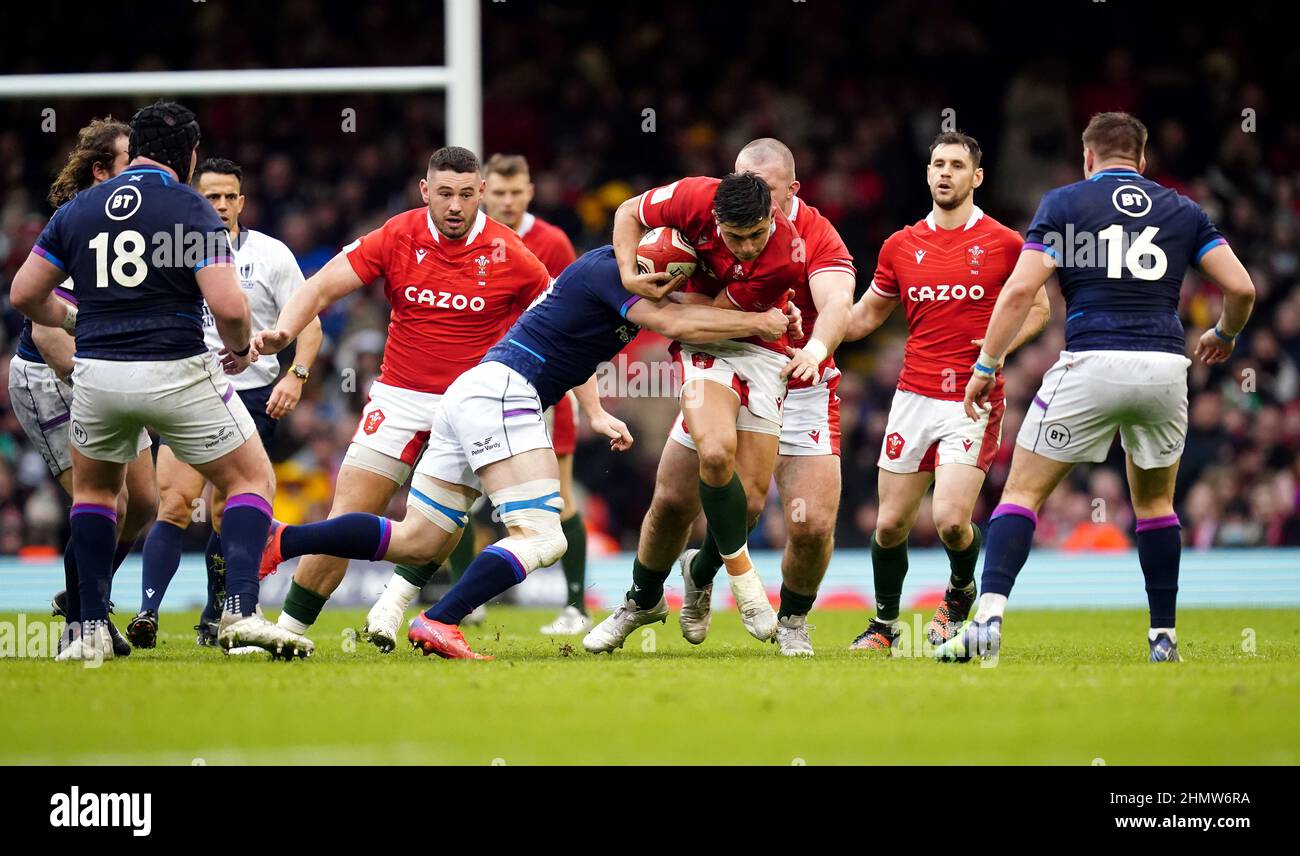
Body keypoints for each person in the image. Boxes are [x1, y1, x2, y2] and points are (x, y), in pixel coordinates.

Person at [257, 245, 791, 659]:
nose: (673, 286)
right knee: (542, 535)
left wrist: (597, 412)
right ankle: (441, 619)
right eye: (674, 274)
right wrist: (758, 323)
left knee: (420, 540)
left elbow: (585, 345)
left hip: (473, 394)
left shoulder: (612, 277)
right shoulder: (608, 271)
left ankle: (282, 540)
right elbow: (677, 322)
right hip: (506, 394)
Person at [935, 112, 1256, 664]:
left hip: (1091, 362)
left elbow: (1018, 292)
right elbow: (1242, 287)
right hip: (1162, 368)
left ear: (1088, 158)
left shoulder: (1064, 204)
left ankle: (987, 619)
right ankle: (1163, 638)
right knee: (1155, 505)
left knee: (1022, 494)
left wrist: (986, 366)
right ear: (1142, 160)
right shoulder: (1183, 209)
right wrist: (1225, 333)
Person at [11, 101, 307, 660]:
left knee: (99, 495)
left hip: (96, 374)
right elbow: (228, 304)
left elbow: (25, 294)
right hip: (174, 369)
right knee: (249, 480)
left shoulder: (80, 209)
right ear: (190, 155)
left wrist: (77, 320)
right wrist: (241, 348)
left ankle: (86, 630)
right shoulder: (189, 207)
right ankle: (239, 613)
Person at [258, 146, 553, 652]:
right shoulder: (398, 235)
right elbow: (322, 287)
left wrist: (591, 408)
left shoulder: (513, 256)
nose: (455, 206)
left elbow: (559, 325)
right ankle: (288, 632)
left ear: (480, 193)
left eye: (465, 194)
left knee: (438, 529)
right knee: (347, 513)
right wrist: (284, 332)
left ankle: (394, 603)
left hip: (468, 408)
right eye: (444, 194)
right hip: (397, 398)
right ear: (425, 192)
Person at [633, 139, 857, 656]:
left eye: (767, 190)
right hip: (729, 363)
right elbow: (702, 305)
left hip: (803, 379)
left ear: (793, 190)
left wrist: (818, 347)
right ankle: (645, 597)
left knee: (810, 523)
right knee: (676, 499)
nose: (751, 195)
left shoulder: (814, 236)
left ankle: (789, 617)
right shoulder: (716, 217)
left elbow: (837, 301)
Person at [841, 131, 1049, 652]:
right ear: (928, 172)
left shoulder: (1003, 243)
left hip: (971, 401)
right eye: (938, 164)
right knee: (889, 525)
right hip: (912, 397)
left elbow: (1040, 310)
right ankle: (885, 625)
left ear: (976, 177)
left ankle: (960, 592)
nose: (945, 173)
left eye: (957, 165)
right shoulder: (900, 246)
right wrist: (815, 332)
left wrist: (996, 354)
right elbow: (866, 315)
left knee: (952, 521)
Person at [592, 172, 804, 648]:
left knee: (746, 503)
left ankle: (700, 569)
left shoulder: (787, 257)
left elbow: (707, 317)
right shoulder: (691, 197)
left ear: (774, 215)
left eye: (756, 234)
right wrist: (630, 273)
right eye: (735, 236)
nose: (747, 247)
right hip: (706, 350)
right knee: (711, 457)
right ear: (714, 220)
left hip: (763, 354)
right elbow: (628, 211)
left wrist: (683, 299)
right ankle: (728, 588)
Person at [124, 157, 322, 648]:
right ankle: (147, 612)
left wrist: (295, 377)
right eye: (210, 196)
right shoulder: (172, 251)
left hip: (254, 397)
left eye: (229, 196)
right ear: (195, 200)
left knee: (223, 514)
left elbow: (310, 323)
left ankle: (217, 615)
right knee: (173, 502)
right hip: (190, 390)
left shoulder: (272, 255)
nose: (220, 205)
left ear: (242, 202)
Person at [8, 117, 158, 656]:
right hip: (51, 378)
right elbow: (49, 333)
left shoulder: (142, 231)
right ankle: (85, 618)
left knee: (143, 501)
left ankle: (79, 596)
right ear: (101, 172)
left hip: (107, 371)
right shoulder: (76, 227)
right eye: (128, 163)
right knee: (104, 502)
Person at [481, 153, 589, 635]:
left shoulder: (553, 242)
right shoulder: (471, 238)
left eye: (515, 191)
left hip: (545, 385)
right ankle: (470, 600)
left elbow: (581, 311)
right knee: (462, 495)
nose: (506, 201)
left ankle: (575, 606)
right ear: (485, 192)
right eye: (498, 193)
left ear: (529, 191)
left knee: (561, 498)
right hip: (482, 382)